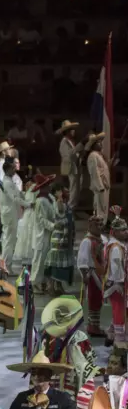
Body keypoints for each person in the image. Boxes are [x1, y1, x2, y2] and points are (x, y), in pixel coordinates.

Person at [39, 295, 98, 399]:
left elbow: (89, 362)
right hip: (56, 378)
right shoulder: (47, 337)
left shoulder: (79, 337)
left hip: (71, 379)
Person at [77, 215, 107, 337]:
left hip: (101, 274)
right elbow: (82, 259)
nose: (99, 227)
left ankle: (94, 325)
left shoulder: (103, 239)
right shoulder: (87, 241)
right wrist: (84, 275)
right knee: (93, 299)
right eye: (97, 225)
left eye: (101, 225)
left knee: (98, 300)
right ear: (90, 226)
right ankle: (92, 327)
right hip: (92, 274)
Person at [105, 210, 128, 348]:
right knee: (119, 310)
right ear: (115, 232)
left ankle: (111, 333)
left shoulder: (117, 245)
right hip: (117, 284)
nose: (126, 232)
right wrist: (120, 281)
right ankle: (119, 342)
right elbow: (116, 267)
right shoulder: (115, 247)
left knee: (119, 310)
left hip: (118, 283)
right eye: (123, 230)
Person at [0, 158, 25, 271]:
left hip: (10, 213)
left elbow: (18, 194)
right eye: (13, 167)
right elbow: (14, 198)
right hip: (9, 215)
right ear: (8, 169)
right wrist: (28, 204)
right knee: (8, 241)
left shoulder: (10, 181)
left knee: (10, 240)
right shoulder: (7, 183)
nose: (15, 169)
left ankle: (6, 265)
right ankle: (5, 267)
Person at [57, 120, 83, 212]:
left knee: (76, 187)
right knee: (73, 187)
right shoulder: (64, 142)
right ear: (67, 131)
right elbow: (69, 155)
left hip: (74, 166)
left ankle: (72, 206)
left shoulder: (70, 141)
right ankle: (70, 207)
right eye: (72, 129)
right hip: (69, 166)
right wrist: (79, 146)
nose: (73, 131)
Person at [86, 133, 110, 220]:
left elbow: (104, 168)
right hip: (100, 186)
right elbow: (94, 172)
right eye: (98, 142)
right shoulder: (93, 156)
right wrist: (100, 186)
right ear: (93, 145)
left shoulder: (99, 155)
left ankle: (102, 224)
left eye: (100, 142)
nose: (101, 144)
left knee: (103, 207)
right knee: (99, 207)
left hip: (105, 185)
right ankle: (99, 226)